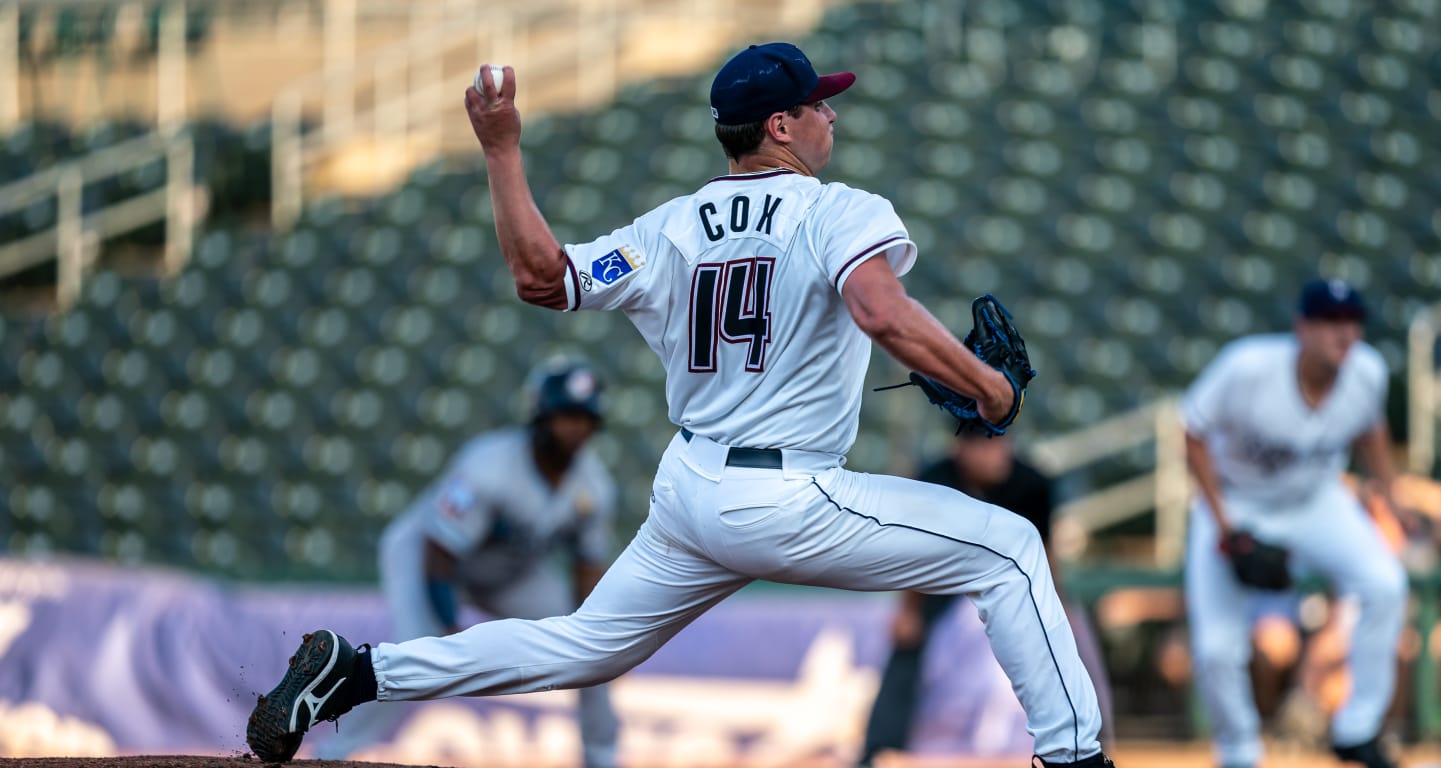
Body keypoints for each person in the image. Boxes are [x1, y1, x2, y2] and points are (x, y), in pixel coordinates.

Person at [246, 42, 1113, 768]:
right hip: (788, 495)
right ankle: (1075, 756)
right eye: (818, 105)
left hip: (692, 489)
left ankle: (355, 674)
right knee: (1006, 546)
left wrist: (503, 151)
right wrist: (987, 387)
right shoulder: (837, 210)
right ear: (780, 125)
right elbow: (880, 310)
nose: (831, 117)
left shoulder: (666, 230)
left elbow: (539, 278)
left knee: (586, 647)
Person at [313, 359, 620, 767]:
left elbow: (587, 566)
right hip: (425, 555)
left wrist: (592, 627)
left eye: (584, 418)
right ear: (541, 415)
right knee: (409, 657)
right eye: (566, 415)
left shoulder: (594, 486)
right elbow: (440, 551)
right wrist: (446, 627)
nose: (575, 428)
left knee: (594, 651)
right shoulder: (488, 465)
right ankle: (332, 755)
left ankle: (602, 760)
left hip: (512, 574)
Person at [1181, 278, 1409, 768]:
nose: (1344, 334)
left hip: (1316, 501)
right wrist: (1225, 526)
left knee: (1385, 583)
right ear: (1301, 328)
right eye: (1330, 322)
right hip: (1237, 502)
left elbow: (1372, 430)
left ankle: (1357, 730)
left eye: (1352, 323)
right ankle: (1240, 752)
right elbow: (1193, 432)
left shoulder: (1367, 372)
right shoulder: (1248, 367)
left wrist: (1392, 496)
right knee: (1216, 648)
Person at [858, 432, 1115, 767]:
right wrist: (909, 611)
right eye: (988, 443)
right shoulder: (936, 478)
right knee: (907, 641)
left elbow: (1048, 555)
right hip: (945, 575)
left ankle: (1089, 747)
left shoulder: (1030, 481)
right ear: (961, 448)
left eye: (1003, 441)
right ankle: (875, 749)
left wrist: (1061, 606)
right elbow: (915, 554)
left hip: (1011, 577)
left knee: (1065, 641)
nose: (1000, 452)